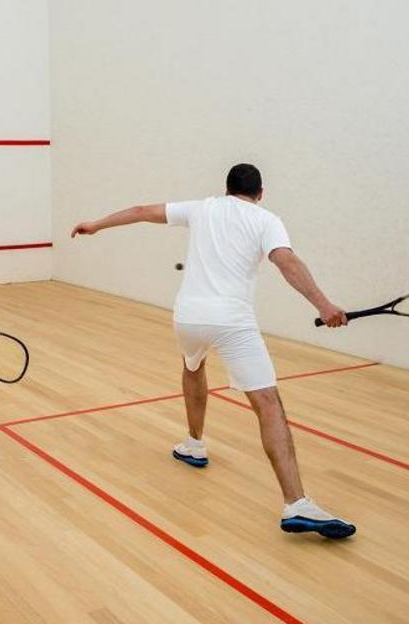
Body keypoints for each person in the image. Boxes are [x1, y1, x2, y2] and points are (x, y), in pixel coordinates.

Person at [70, 163, 356, 538]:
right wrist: (323, 305)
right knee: (268, 403)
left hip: (187, 318)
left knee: (193, 366)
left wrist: (95, 224)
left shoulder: (201, 208)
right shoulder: (266, 219)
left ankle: (193, 444)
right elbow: (285, 260)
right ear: (260, 193)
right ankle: (296, 504)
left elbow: (141, 211)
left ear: (226, 189)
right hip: (232, 322)